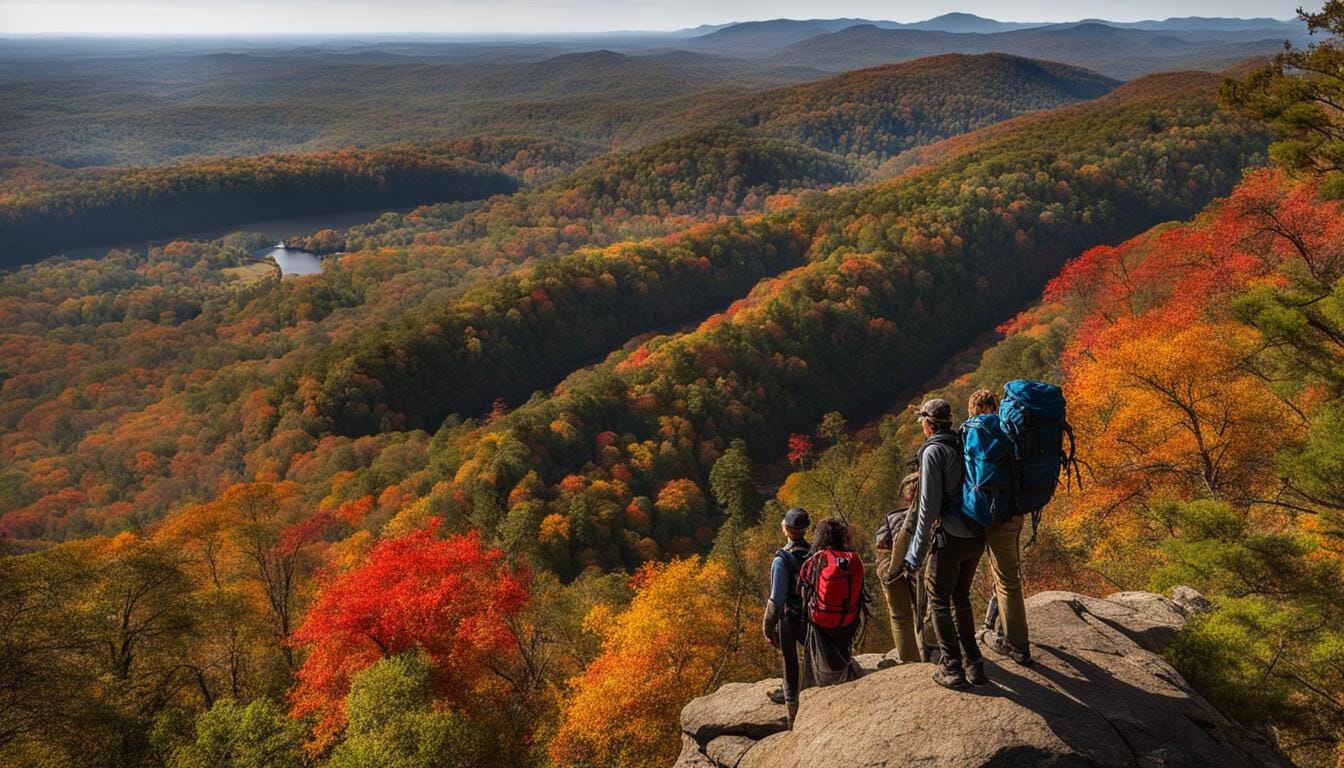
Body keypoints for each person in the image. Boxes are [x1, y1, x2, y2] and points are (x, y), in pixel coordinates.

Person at [902, 398, 988, 688]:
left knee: (938, 598)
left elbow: (927, 507)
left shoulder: (934, 452)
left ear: (929, 423)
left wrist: (914, 555)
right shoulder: (963, 440)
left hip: (951, 537)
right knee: (960, 598)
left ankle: (951, 667)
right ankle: (974, 664)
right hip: (977, 533)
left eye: (922, 422)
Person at [968, 389, 1033, 665]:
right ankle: (1007, 632)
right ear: (996, 406)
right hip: (1015, 514)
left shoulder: (973, 432)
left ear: (972, 409)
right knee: (1009, 576)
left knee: (1004, 581)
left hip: (986, 517)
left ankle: (1018, 645)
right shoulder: (1011, 429)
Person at [800, 516, 864, 690]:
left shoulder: (816, 560)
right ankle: (844, 670)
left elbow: (804, 591)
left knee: (813, 623)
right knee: (843, 633)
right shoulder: (854, 559)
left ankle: (814, 680)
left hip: (821, 619)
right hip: (849, 619)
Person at [762, 506, 811, 728]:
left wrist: (767, 626)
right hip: (813, 616)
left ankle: (792, 708)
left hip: (789, 619)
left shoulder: (781, 560)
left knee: (790, 660)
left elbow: (776, 599)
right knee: (812, 655)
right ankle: (812, 689)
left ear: (786, 529)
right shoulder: (815, 554)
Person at [874, 472, 923, 662]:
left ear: (906, 495)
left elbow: (881, 545)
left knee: (900, 618)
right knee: (928, 611)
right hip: (921, 568)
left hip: (891, 569)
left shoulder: (893, 517)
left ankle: (910, 660)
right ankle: (934, 653)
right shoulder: (935, 514)